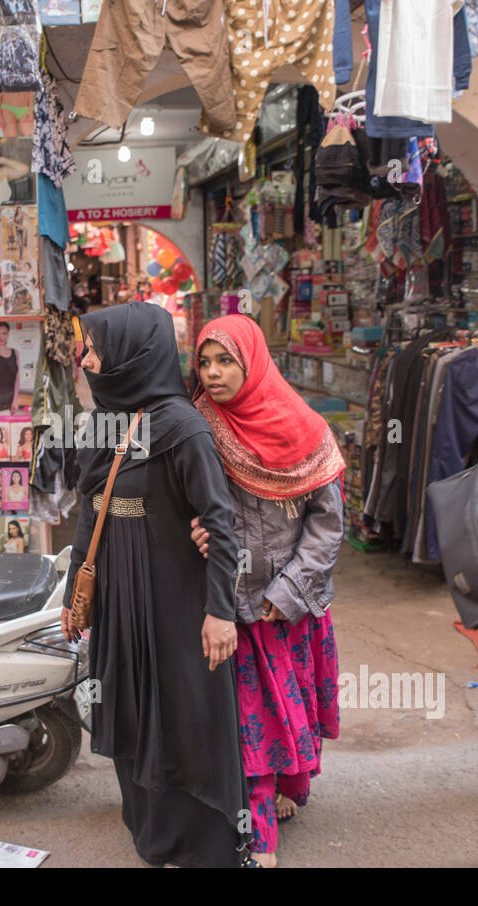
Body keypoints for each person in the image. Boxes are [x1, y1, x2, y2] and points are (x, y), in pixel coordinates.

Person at [59, 301, 246, 868]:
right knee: (132, 706)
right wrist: (76, 594)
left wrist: (220, 611)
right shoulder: (105, 421)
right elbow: (92, 509)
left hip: (175, 596)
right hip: (119, 593)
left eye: (95, 346)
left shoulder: (183, 427)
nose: (85, 357)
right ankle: (155, 835)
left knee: (186, 713)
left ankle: (207, 843)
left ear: (132, 353)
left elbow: (220, 522)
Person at [187, 315, 345, 869]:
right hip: (231, 605)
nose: (213, 374)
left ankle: (291, 788)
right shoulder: (200, 424)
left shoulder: (304, 427)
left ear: (252, 362)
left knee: (293, 708)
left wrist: (289, 590)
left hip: (289, 607)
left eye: (225, 361)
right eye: (205, 362)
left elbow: (327, 526)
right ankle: (258, 838)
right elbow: (190, 497)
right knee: (253, 723)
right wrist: (199, 527)